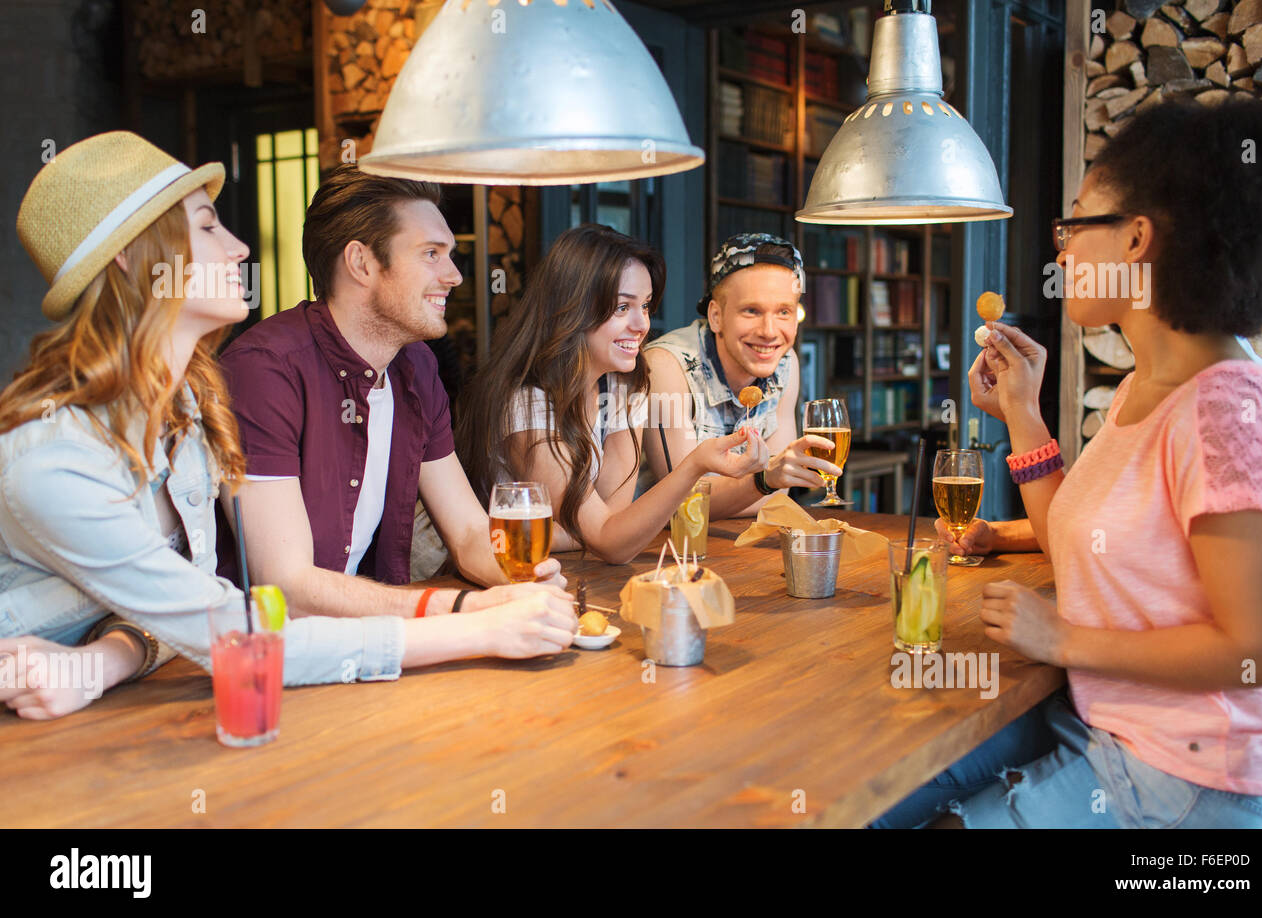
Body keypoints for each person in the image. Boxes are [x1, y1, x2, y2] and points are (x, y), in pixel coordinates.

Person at [0, 133, 576, 720]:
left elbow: (179, 610)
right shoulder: (55, 463)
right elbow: (242, 629)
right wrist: (472, 624)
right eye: (207, 227)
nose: (238, 246)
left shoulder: (190, 415)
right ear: (133, 257)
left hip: (100, 713)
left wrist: (102, 661)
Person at [874, 97, 1262, 828]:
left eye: (1074, 224)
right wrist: (1021, 414)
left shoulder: (1228, 413)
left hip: (1185, 777)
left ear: (1137, 239)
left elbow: (1258, 651)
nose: (1061, 252)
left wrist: (1062, 638)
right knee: (876, 797)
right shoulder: (1145, 387)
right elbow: (1089, 536)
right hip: (1098, 719)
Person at [217, 165, 568, 629]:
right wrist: (460, 609)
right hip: (257, 662)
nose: (455, 276)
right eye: (431, 254)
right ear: (361, 263)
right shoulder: (264, 369)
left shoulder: (416, 367)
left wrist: (523, 581)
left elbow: (466, 533)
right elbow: (285, 585)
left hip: (366, 644)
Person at [457, 223, 768, 564]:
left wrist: (571, 536)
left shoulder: (622, 386)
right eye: (622, 308)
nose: (641, 325)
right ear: (572, 308)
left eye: (646, 306)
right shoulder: (529, 403)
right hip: (476, 581)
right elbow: (612, 542)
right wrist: (695, 464)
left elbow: (614, 525)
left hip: (556, 570)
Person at [643, 233, 843, 518]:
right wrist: (764, 481)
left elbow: (778, 494)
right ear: (716, 316)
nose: (770, 331)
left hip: (737, 542)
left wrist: (766, 483)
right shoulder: (665, 366)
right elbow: (684, 505)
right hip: (659, 552)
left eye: (784, 312)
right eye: (752, 310)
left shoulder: (786, 363)